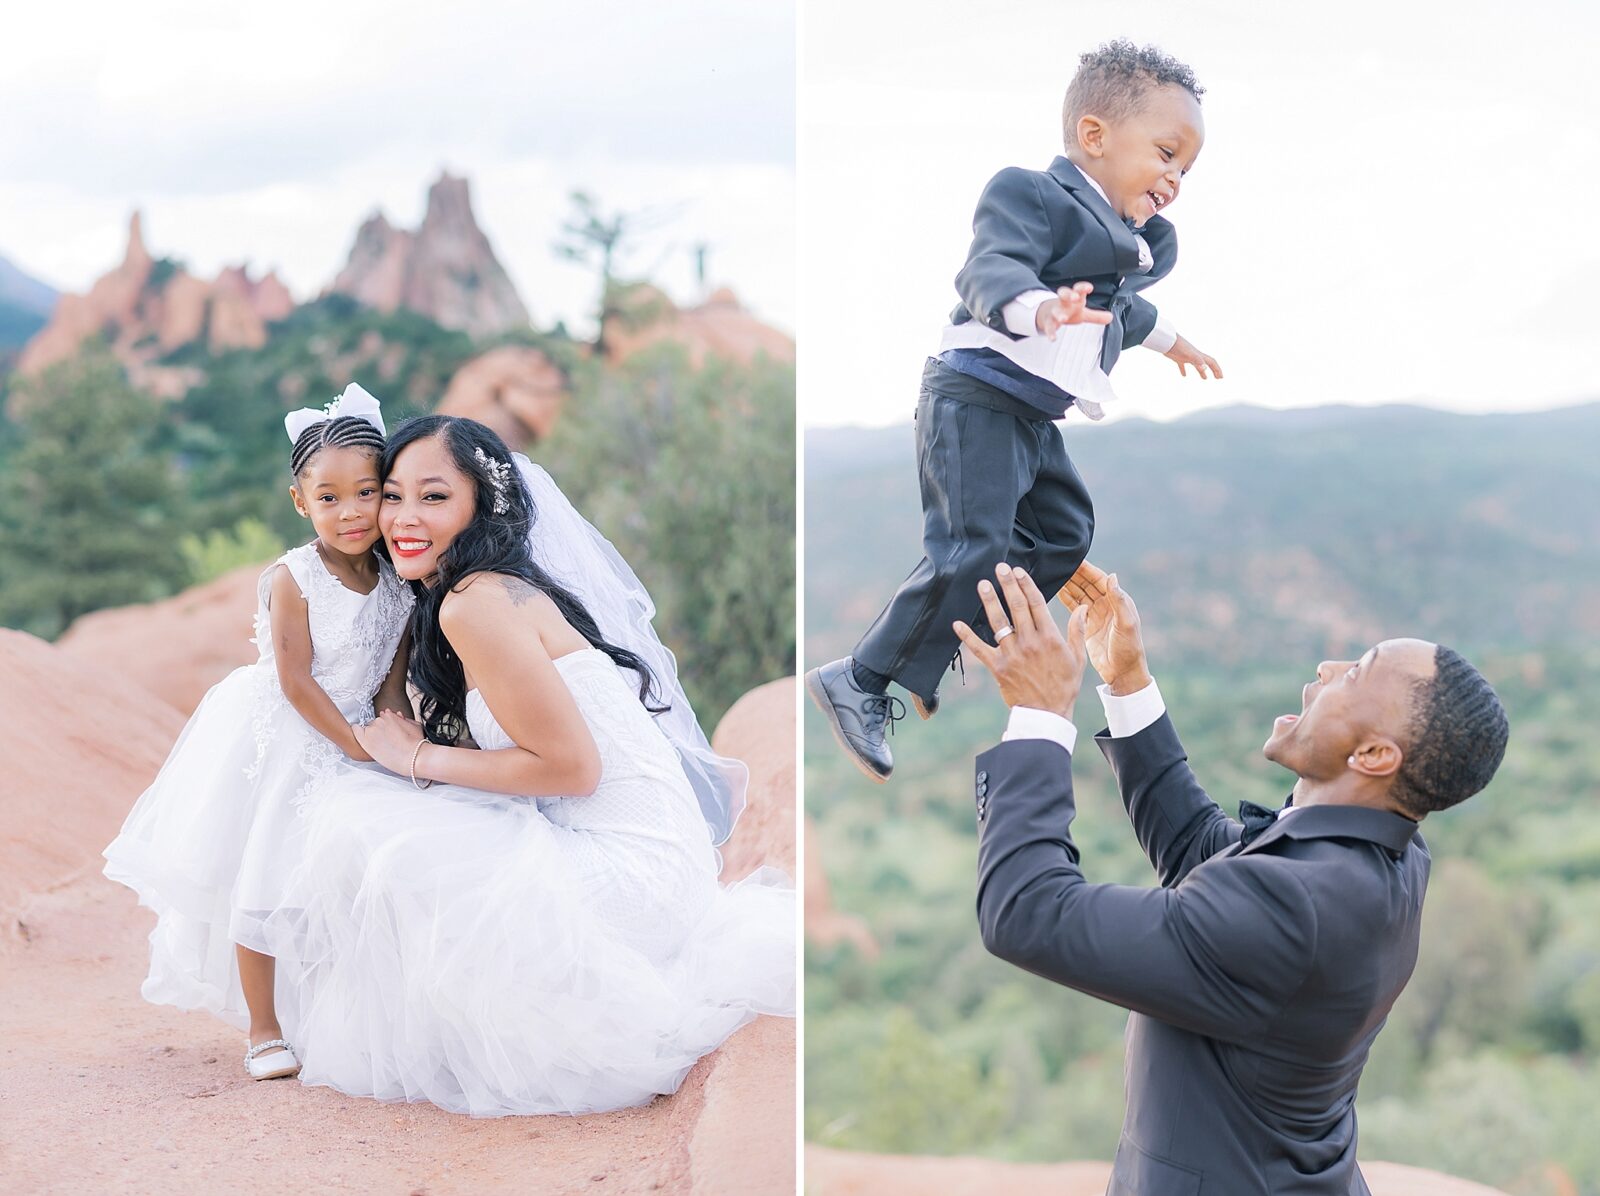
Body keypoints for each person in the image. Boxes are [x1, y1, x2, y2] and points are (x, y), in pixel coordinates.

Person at [259, 415, 794, 1117]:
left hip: (631, 878)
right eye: (392, 496)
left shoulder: (474, 604)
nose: (402, 519)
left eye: (434, 497)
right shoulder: (487, 591)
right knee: (414, 818)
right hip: (656, 863)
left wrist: (418, 756)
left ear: (482, 505)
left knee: (366, 827)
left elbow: (572, 771)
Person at [954, 561, 1508, 1195]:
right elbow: (1203, 851)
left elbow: (1027, 913)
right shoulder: (1390, 856)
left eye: (1355, 672)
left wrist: (1042, 715)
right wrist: (1126, 679)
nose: (1328, 669)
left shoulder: (1295, 905)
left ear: (1374, 756)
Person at [806, 40, 1223, 782]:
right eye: (1166, 153)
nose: (1175, 178)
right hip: (973, 399)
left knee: (1065, 531)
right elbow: (989, 268)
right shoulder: (1031, 195)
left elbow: (1125, 309)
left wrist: (1173, 341)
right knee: (972, 548)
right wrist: (1038, 308)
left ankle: (942, 638)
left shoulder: (1125, 245)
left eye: (1185, 168)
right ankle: (861, 679)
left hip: (1031, 416)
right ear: (1094, 136)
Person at [102, 384, 414, 1081]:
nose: (351, 511)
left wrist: (393, 733)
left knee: (347, 868)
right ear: (301, 502)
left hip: (359, 731)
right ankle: (264, 1027)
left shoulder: (399, 584)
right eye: (328, 498)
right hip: (286, 737)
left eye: (366, 493)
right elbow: (295, 680)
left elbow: (391, 674)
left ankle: (343, 1011)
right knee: (265, 873)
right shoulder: (292, 578)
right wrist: (351, 744)